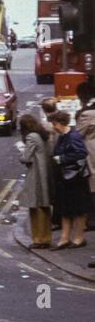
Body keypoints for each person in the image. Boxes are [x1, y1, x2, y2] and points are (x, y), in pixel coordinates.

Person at [50, 110, 90, 249]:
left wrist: (62, 158)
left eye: (54, 124)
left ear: (61, 123)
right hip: (65, 179)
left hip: (76, 180)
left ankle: (78, 238)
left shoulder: (73, 136)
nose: (53, 127)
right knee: (65, 209)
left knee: (78, 209)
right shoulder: (63, 136)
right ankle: (64, 238)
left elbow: (81, 153)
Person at [18, 114, 53, 248]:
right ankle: (46, 237)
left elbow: (26, 158)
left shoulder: (31, 137)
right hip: (45, 173)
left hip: (36, 174)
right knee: (44, 207)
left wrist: (21, 154)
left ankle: (38, 239)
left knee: (34, 207)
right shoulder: (43, 135)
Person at [75, 83, 95, 235]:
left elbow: (78, 135)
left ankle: (92, 219)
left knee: (91, 184)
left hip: (91, 150)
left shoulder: (87, 114)